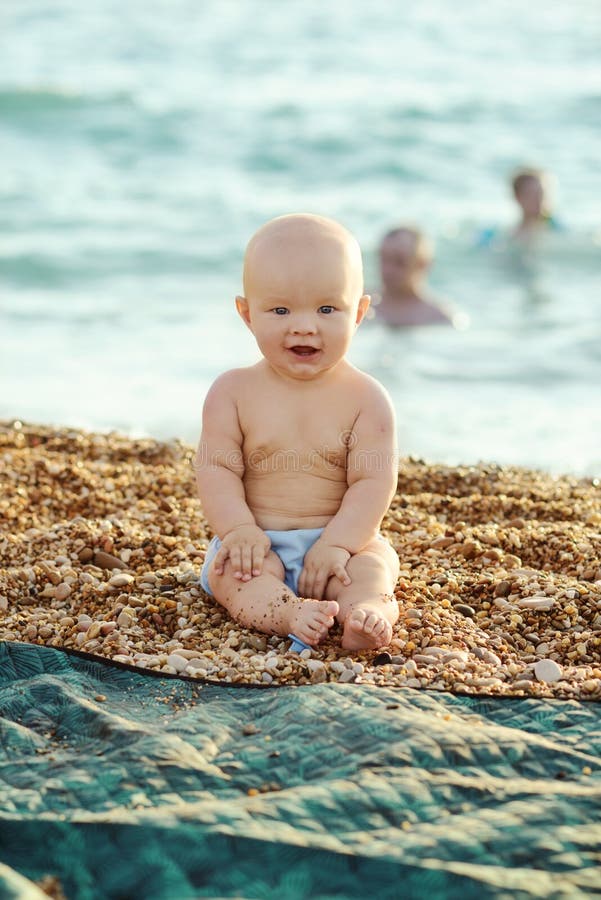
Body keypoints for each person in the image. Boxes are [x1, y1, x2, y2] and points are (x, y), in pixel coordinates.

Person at [194, 213, 400, 651]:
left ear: (359, 312)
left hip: (342, 544)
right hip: (258, 543)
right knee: (234, 575)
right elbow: (217, 472)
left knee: (373, 567)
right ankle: (288, 613)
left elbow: (372, 482)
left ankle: (366, 615)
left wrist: (339, 544)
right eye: (281, 309)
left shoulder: (367, 398)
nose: (304, 325)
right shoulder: (232, 391)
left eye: (327, 309)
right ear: (247, 314)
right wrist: (238, 531)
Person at [371, 226, 454, 327]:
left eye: (399, 262)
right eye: (384, 259)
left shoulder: (439, 317)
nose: (388, 270)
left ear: (423, 264)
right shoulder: (362, 305)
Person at [511, 167, 561, 240]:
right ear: (518, 197)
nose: (538, 200)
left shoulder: (556, 230)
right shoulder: (508, 234)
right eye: (531, 194)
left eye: (541, 194)